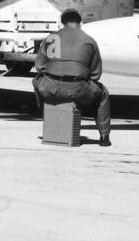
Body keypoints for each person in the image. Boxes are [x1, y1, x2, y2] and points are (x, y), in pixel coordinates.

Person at [33, 9, 112, 146]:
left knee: (36, 82)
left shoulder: (51, 38)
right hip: (77, 89)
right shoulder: (89, 40)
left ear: (62, 22)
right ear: (80, 23)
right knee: (103, 93)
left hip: (50, 88)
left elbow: (39, 66)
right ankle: (104, 136)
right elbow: (96, 74)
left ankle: (49, 120)